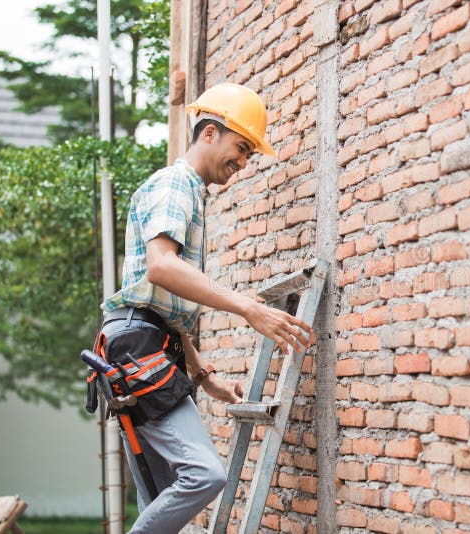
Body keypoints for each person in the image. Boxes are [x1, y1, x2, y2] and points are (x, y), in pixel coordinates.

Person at [98, 83, 314, 534]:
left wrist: (200, 373)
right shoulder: (176, 183)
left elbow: (165, 306)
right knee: (204, 475)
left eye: (249, 154)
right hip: (137, 345)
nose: (243, 162)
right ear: (210, 133)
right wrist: (246, 308)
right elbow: (161, 268)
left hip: (143, 342)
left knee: (160, 503)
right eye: (241, 148)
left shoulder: (190, 192)